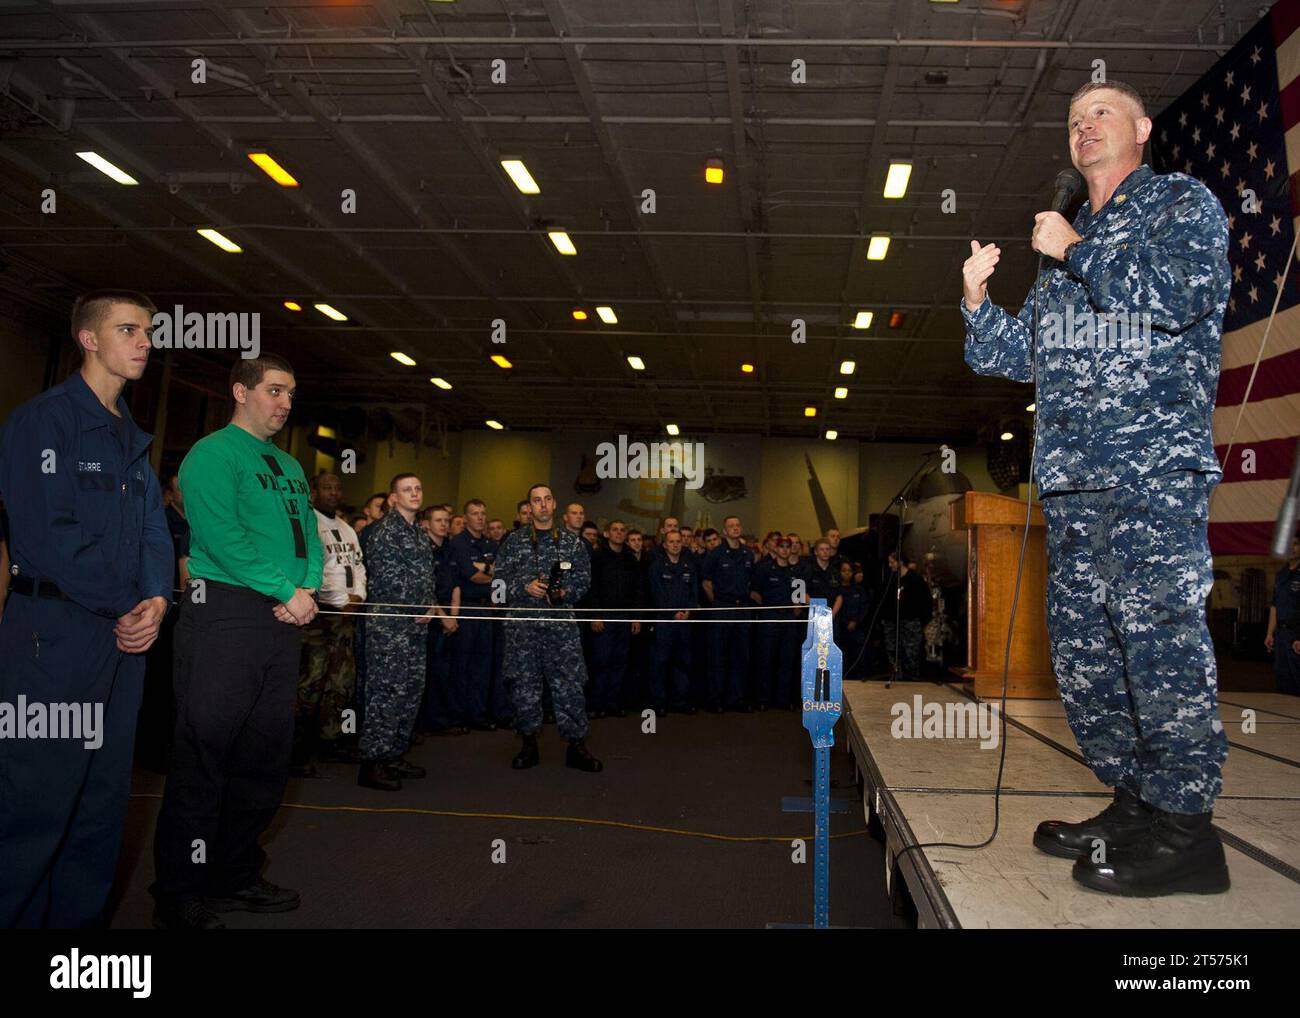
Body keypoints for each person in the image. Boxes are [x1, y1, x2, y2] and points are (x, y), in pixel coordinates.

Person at [962, 79, 1231, 896]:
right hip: (1074, 486)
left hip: (1149, 476)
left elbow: (1183, 296)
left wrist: (1076, 250)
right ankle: (1135, 802)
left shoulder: (1178, 205)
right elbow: (1019, 358)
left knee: (1159, 647)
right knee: (1090, 659)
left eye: (1101, 114)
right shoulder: (1068, 242)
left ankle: (1187, 833)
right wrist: (976, 301)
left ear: (1142, 129)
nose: (1085, 128)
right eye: (1075, 121)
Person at [0, 289, 173, 928]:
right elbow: (51, 534)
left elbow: (156, 529)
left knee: (100, 807)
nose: (145, 342)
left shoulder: (129, 433)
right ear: (89, 339)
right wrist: (132, 602)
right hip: (55, 637)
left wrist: (156, 598)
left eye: (149, 332)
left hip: (123, 642)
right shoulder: (44, 423)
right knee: (37, 805)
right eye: (129, 330)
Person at [152, 352, 321, 930]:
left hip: (281, 616)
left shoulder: (290, 466)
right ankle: (179, 890)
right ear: (241, 392)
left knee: (265, 757)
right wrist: (284, 588)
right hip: (225, 614)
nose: (285, 403)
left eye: (292, 393)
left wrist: (307, 586)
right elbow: (220, 537)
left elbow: (310, 536)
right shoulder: (212, 455)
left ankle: (234, 874)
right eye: (275, 390)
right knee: (205, 757)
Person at [494, 483, 601, 771]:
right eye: (536, 501)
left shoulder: (572, 543)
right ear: (529, 508)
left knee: (570, 683)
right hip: (523, 627)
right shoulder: (513, 542)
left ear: (555, 505)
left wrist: (566, 593)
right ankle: (528, 743)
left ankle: (576, 745)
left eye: (547, 500)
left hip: (560, 628)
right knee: (524, 685)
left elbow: (584, 581)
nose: (542, 505)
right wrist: (523, 587)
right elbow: (498, 586)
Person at [356, 473, 437, 791]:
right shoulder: (384, 532)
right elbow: (385, 581)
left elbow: (426, 576)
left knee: (410, 691)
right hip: (390, 626)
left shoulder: (418, 532)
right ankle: (372, 762)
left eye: (418, 488)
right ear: (393, 498)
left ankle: (393, 753)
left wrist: (430, 604)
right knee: (386, 693)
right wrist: (419, 606)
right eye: (407, 490)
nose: (415, 493)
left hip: (415, 626)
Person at [293, 473, 366, 775]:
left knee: (341, 683)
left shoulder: (347, 528)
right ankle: (296, 750)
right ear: (313, 492)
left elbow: (358, 566)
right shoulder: (307, 522)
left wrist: (358, 597)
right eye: (327, 487)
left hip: (346, 615)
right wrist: (338, 600)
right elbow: (310, 570)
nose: (333, 492)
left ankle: (331, 740)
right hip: (319, 615)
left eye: (337, 487)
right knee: (311, 683)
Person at [448, 498, 500, 730]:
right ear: (465, 517)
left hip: (486, 608)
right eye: (475, 513)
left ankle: (477, 715)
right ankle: (459, 717)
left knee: (482, 665)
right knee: (462, 665)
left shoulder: (490, 544)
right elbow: (471, 575)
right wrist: (487, 570)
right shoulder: (457, 543)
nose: (480, 517)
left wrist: (485, 569)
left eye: (482, 513)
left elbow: (500, 577)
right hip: (467, 608)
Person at [587, 519, 644, 717]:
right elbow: (592, 588)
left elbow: (638, 591)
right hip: (604, 615)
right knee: (601, 660)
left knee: (620, 662)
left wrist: (636, 617)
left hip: (625, 617)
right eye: (615, 530)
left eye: (622, 530)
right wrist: (595, 615)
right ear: (607, 533)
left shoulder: (630, 559)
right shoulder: (598, 557)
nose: (619, 533)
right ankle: (596, 704)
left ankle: (612, 703)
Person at [417, 506, 465, 735]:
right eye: (439, 521)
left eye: (447, 520)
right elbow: (426, 590)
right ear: (426, 523)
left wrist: (453, 616)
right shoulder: (422, 548)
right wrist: (444, 618)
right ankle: (429, 722)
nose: (444, 525)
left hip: (449, 615)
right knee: (430, 672)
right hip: (431, 616)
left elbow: (456, 584)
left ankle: (444, 718)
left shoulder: (450, 548)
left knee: (448, 671)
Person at [701, 515, 753, 712]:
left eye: (738, 525)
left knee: (740, 657)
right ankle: (716, 700)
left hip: (743, 609)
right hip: (722, 607)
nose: (735, 528)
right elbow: (706, 582)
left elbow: (751, 582)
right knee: (718, 657)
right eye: (731, 526)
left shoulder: (748, 553)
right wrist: (717, 603)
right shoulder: (716, 554)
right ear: (724, 531)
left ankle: (736, 699)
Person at [648, 529, 697, 715]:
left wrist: (688, 611)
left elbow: (694, 593)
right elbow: (656, 594)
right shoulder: (657, 566)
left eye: (678, 541)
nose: (676, 544)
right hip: (664, 622)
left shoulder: (689, 566)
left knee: (683, 662)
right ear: (665, 545)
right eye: (672, 541)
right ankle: (658, 702)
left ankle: (680, 700)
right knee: (660, 663)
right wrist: (672, 613)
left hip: (684, 622)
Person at [751, 536, 801, 709]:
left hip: (788, 620)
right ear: (776, 548)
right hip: (769, 617)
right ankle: (763, 699)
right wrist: (767, 608)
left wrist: (795, 609)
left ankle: (783, 699)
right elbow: (754, 593)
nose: (785, 550)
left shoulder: (796, 572)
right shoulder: (765, 568)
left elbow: (799, 597)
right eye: (782, 547)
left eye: (788, 546)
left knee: (786, 660)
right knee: (766, 659)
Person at [882, 552, 928, 680]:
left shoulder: (915, 580)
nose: (890, 565)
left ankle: (912, 678)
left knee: (910, 652)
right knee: (892, 649)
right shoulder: (891, 579)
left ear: (900, 562)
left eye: (892, 562)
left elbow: (925, 602)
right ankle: (897, 675)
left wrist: (922, 621)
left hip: (910, 622)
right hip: (892, 622)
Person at [1266, 534, 1300, 696]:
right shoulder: (1282, 574)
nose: (1292, 548)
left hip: (1296, 633)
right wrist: (1270, 633)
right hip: (1281, 634)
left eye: (1295, 544)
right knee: (1283, 680)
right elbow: (1275, 605)